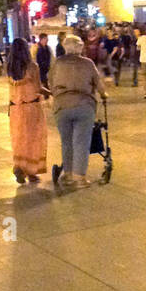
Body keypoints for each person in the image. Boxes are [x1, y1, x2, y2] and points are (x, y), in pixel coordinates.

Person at [48, 33, 106, 189]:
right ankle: (79, 177)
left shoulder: (58, 63)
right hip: (83, 105)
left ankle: (67, 174)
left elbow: (50, 80)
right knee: (81, 141)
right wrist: (103, 94)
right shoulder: (87, 63)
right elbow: (98, 82)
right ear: (79, 47)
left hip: (61, 106)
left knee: (66, 142)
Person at [5, 37, 46, 184]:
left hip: (15, 108)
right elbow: (38, 88)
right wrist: (53, 92)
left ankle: (19, 166)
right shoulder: (32, 67)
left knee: (19, 139)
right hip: (31, 107)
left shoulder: (8, 68)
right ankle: (31, 170)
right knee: (34, 138)